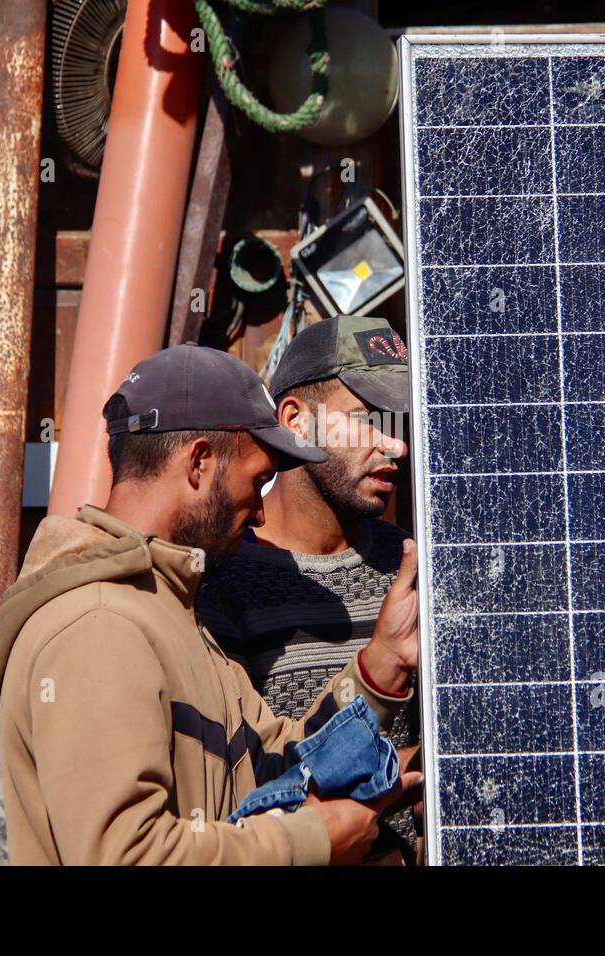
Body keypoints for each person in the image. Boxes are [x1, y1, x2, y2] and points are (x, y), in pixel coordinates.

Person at [0, 343, 421, 865]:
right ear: (199, 463)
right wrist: (312, 841)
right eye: (258, 481)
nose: (261, 515)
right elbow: (128, 857)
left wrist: (383, 666)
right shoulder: (97, 626)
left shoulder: (168, 612)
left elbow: (275, 762)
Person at [196, 316, 421, 861]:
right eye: (369, 419)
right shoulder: (220, 581)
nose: (396, 446)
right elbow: (235, 788)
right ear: (296, 422)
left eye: (403, 422)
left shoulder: (415, 566)